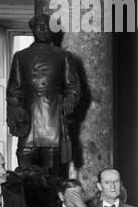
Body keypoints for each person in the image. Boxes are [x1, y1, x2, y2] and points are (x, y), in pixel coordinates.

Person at [5, 13, 84, 178]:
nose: (43, 29)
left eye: (46, 26)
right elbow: (14, 89)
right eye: (39, 25)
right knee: (25, 160)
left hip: (52, 114)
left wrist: (70, 100)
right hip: (28, 115)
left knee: (52, 164)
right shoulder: (21, 56)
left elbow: (73, 86)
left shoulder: (63, 56)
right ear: (32, 29)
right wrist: (16, 110)